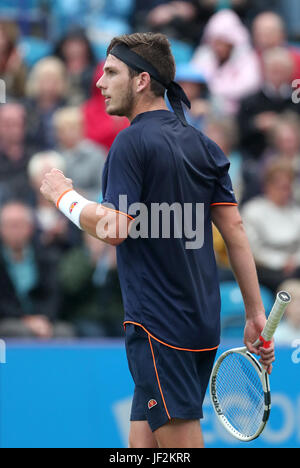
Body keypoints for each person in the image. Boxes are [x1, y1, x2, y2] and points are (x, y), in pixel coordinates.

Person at [40, 32, 274, 449]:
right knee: (140, 448)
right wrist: (256, 312)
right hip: (201, 324)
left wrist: (65, 197)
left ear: (142, 80)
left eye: (111, 72)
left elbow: (114, 228)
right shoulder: (203, 144)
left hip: (159, 328)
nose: (100, 83)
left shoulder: (131, 142)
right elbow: (235, 231)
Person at [0, 201, 75, 339]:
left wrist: (43, 319)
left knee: (64, 332)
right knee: (20, 332)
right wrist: (26, 320)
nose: (14, 231)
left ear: (30, 228)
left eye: (19, 225)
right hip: (8, 319)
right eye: (10, 225)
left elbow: (53, 294)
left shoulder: (45, 256)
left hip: (44, 319)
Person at [241, 161, 300, 294]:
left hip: (295, 267)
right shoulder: (253, 210)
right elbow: (254, 250)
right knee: (291, 288)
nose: (286, 191)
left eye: (288, 186)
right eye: (282, 186)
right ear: (268, 186)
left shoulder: (296, 212)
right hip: (266, 270)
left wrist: (294, 261)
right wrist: (281, 262)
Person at [192, 9, 262, 115]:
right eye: (216, 42)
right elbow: (194, 80)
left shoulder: (247, 57)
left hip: (238, 113)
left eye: (223, 42)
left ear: (232, 42)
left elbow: (249, 85)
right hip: (207, 111)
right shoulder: (204, 54)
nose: (219, 48)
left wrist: (216, 90)